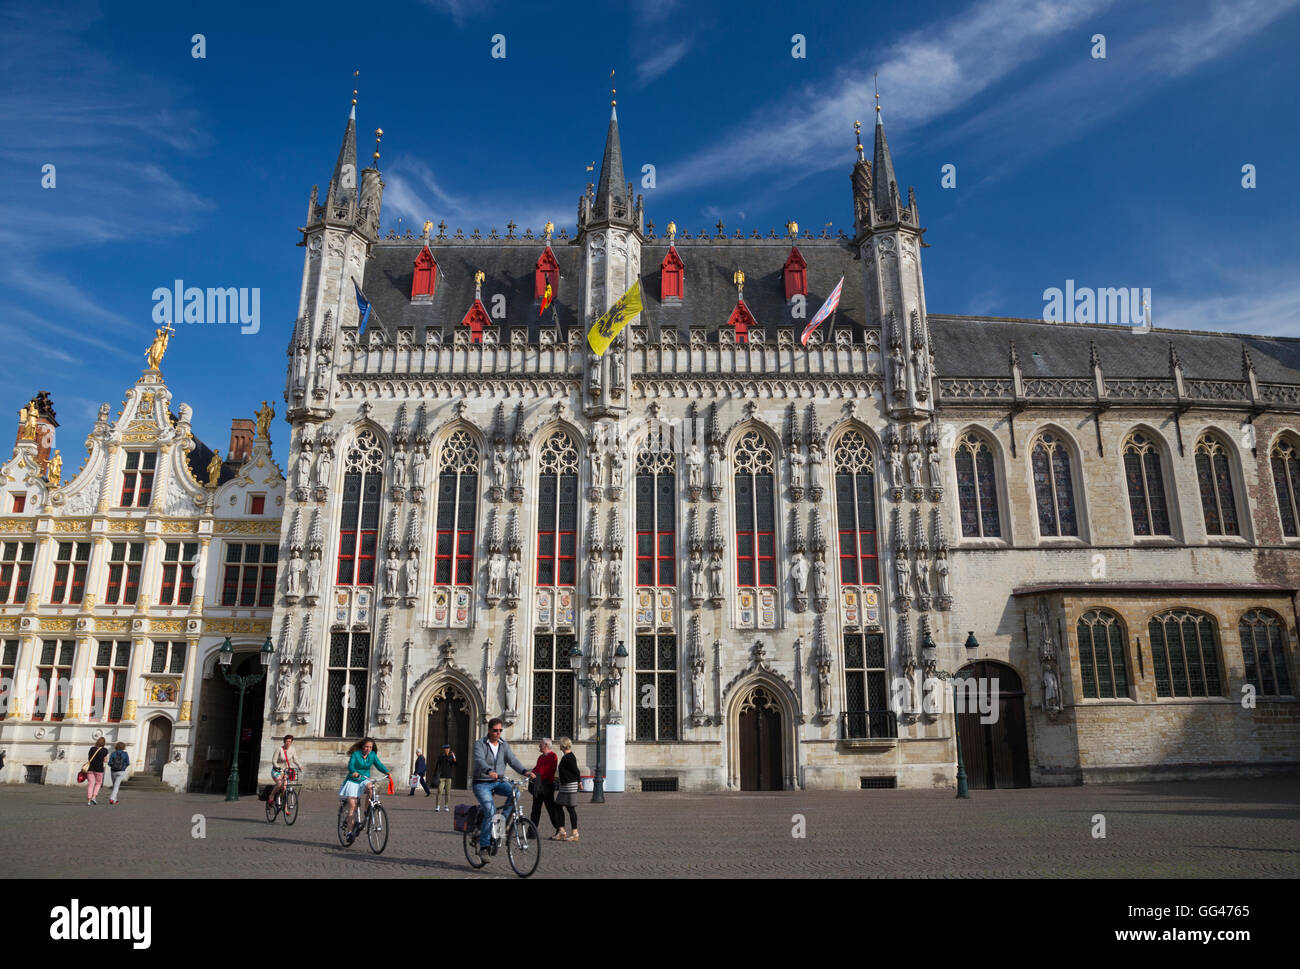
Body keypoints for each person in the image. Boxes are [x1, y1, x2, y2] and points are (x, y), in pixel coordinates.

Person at [471, 719, 534, 861]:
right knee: (491, 811)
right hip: (482, 783)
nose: (498, 733)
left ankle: (502, 823)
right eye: (495, 730)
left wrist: (525, 772)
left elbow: (512, 760)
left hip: (498, 782)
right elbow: (479, 760)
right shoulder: (480, 744)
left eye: (500, 730)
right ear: (489, 730)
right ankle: (484, 847)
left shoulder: (503, 745)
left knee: (516, 792)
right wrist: (489, 771)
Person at [339, 737, 391, 845]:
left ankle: (367, 811)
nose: (368, 749)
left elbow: (379, 765)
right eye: (367, 746)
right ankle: (349, 832)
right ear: (363, 746)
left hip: (364, 779)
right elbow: (351, 766)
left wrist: (387, 772)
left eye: (370, 747)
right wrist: (353, 772)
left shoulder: (372, 755)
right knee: (352, 806)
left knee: (371, 788)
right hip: (353, 780)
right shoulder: (356, 754)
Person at [529, 739, 563, 840]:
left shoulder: (553, 756)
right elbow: (537, 768)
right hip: (538, 784)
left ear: (546, 745)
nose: (539, 745)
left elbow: (549, 771)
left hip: (547, 785)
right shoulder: (540, 757)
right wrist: (531, 773)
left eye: (541, 744)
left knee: (551, 809)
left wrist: (537, 776)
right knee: (535, 810)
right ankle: (532, 831)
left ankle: (559, 829)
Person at [554, 738, 580, 842]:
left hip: (569, 786)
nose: (559, 745)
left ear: (563, 745)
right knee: (558, 806)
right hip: (565, 785)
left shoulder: (569, 757)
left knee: (570, 808)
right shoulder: (567, 756)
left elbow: (576, 770)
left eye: (560, 744)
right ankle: (562, 831)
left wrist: (580, 781)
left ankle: (574, 833)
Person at [270, 735, 302, 808]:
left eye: (290, 741)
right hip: (276, 770)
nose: (288, 743)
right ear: (284, 742)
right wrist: (279, 768)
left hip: (286, 771)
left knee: (284, 787)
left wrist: (299, 765)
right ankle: (271, 795)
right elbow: (274, 761)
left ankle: (280, 798)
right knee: (279, 783)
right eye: (287, 741)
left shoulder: (292, 749)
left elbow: (295, 759)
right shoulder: (279, 749)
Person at [85, 737, 109, 805]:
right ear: (104, 743)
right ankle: (94, 797)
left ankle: (89, 800)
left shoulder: (92, 749)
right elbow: (105, 760)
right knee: (98, 783)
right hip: (99, 769)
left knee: (90, 784)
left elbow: (89, 758)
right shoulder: (105, 750)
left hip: (90, 769)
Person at [434, 743, 456, 811]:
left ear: (449, 749)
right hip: (442, 777)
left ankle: (446, 806)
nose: (446, 750)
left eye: (447, 748)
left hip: (448, 776)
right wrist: (435, 774)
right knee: (440, 791)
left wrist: (454, 756)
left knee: (447, 792)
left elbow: (455, 763)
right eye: (445, 749)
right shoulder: (441, 756)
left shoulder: (451, 756)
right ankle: (437, 806)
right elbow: (438, 765)